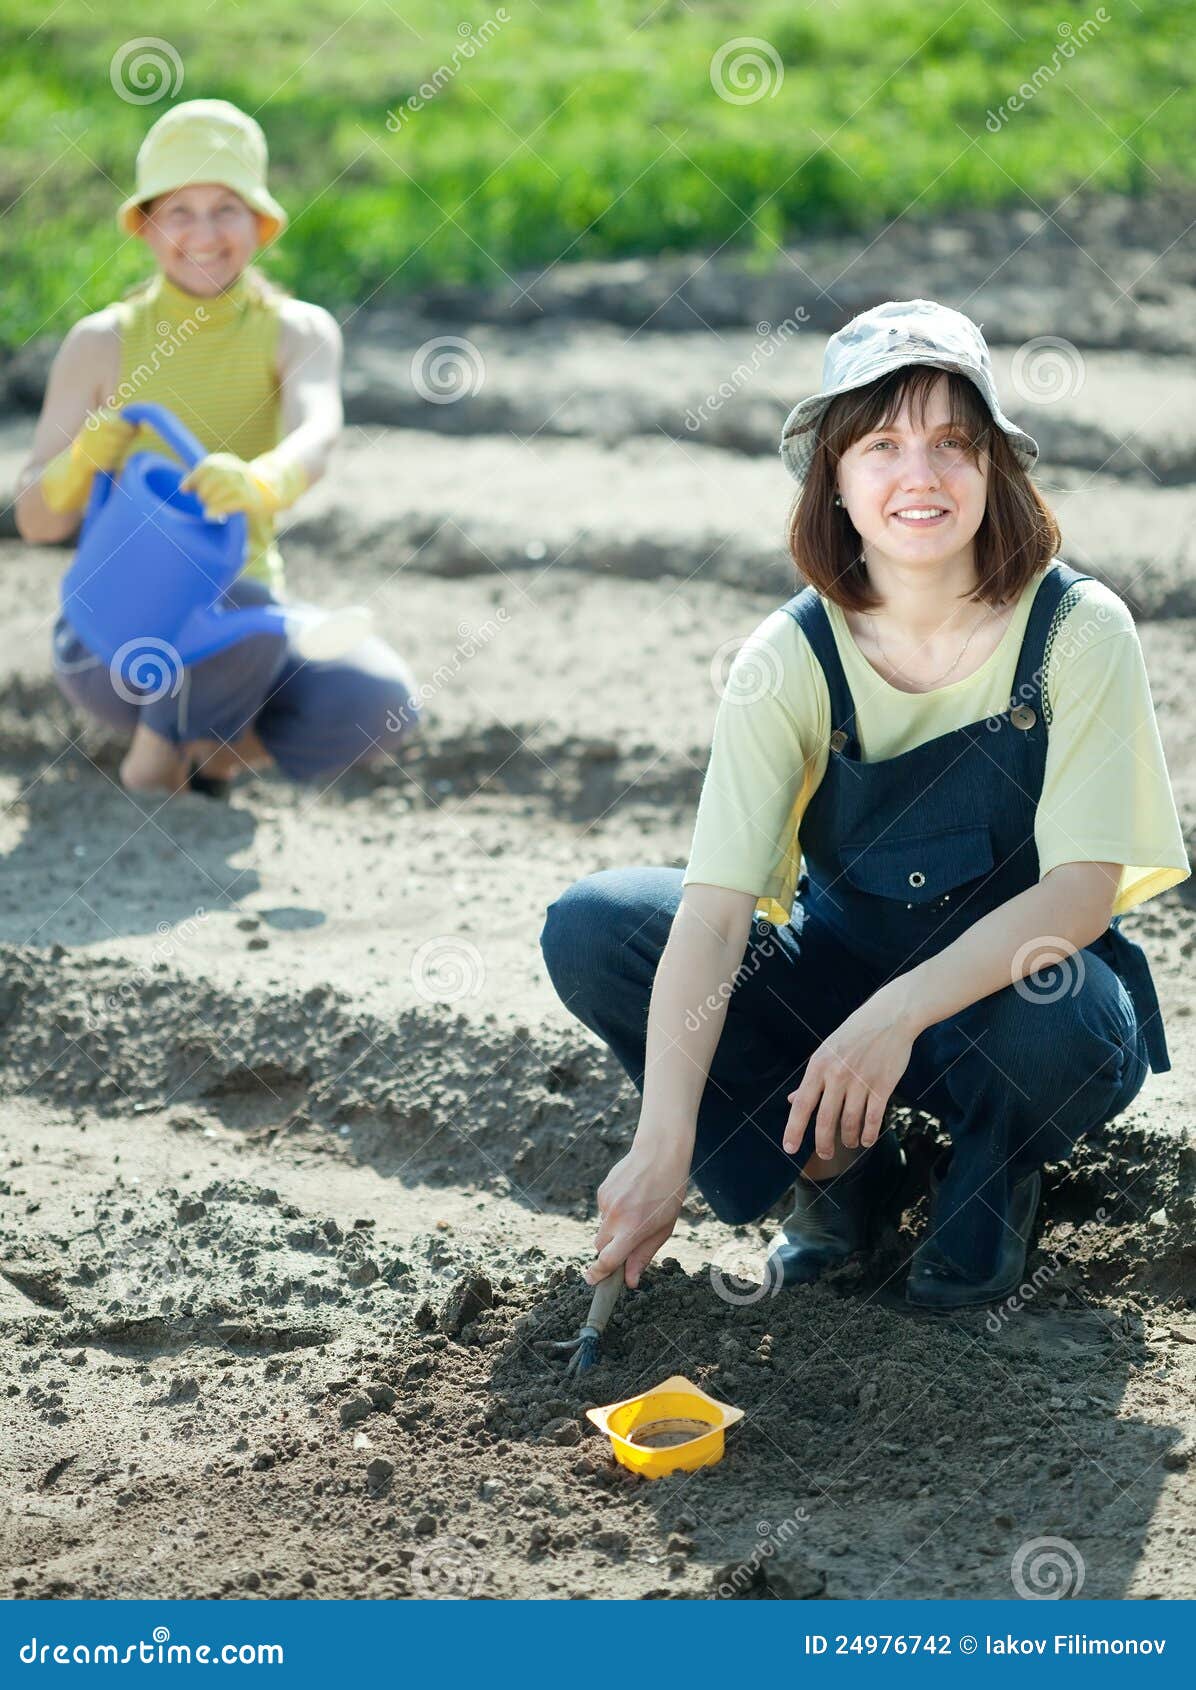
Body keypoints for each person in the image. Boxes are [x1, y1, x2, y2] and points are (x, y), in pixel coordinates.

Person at [541, 299, 1189, 1311]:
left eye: (949, 443)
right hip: (836, 972)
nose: (918, 475)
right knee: (596, 928)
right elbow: (714, 917)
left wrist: (888, 1018)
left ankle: (990, 1177)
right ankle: (838, 1176)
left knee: (1052, 1022)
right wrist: (659, 1145)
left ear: (991, 470)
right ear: (834, 480)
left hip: (1007, 998)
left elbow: (1076, 899)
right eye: (880, 445)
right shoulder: (787, 657)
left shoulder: (1076, 628)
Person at [16, 98, 420, 796]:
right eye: (179, 211)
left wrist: (265, 480)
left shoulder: (296, 331)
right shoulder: (100, 344)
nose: (203, 233)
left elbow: (318, 430)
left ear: (260, 225)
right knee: (231, 622)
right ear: (145, 226)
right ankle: (155, 765)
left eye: (226, 209)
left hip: (244, 629)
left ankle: (214, 752)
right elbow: (35, 521)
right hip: (112, 636)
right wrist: (82, 458)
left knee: (375, 698)